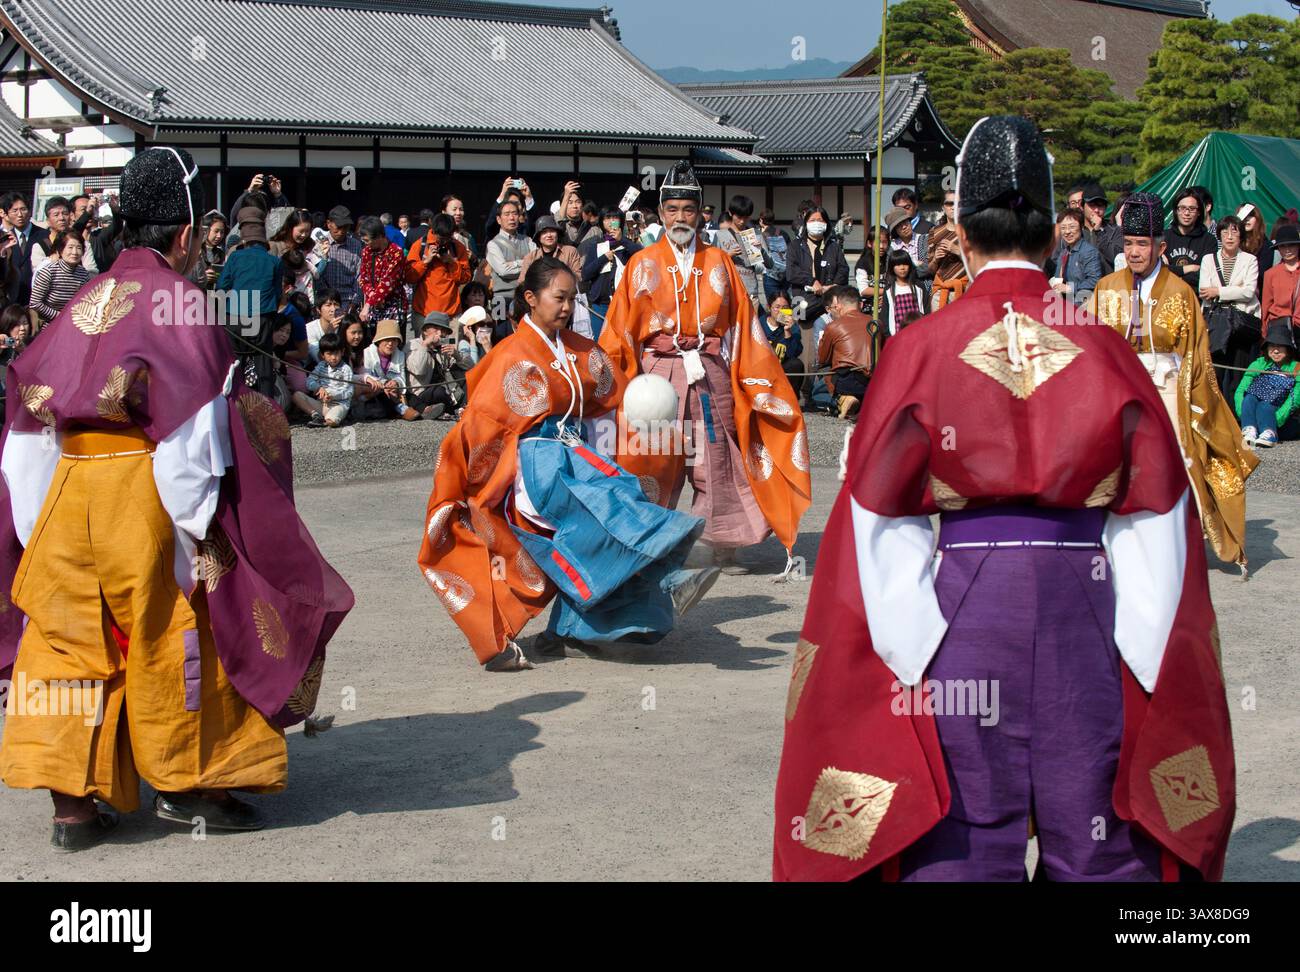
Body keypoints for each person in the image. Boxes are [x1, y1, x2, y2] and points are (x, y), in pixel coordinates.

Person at [775, 115, 1235, 883]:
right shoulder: (1102, 345)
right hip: (1085, 609)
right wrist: (1146, 647)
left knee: (961, 834)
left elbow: (875, 518)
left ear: (958, 226)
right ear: (1056, 232)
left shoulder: (920, 346)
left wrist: (909, 642)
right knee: (1098, 835)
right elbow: (1157, 516)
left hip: (961, 609)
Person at [0, 146, 353, 850]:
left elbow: (25, 426)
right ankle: (190, 782)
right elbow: (191, 442)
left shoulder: (83, 300)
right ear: (186, 234)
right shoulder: (182, 303)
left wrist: (41, 526)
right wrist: (203, 536)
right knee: (175, 630)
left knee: (68, 636)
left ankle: (72, 805)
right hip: (145, 490)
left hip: (67, 487)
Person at [417, 257, 721, 671]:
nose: (566, 307)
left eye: (571, 299)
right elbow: (484, 424)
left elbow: (613, 398)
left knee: (617, 500)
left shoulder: (580, 348)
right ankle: (668, 577)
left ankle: (568, 632)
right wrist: (478, 481)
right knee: (603, 511)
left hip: (574, 454)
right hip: (534, 467)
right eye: (558, 298)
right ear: (530, 298)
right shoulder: (510, 355)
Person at [598, 161, 811, 577]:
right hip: (656, 371)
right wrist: (607, 385)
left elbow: (744, 326)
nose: (680, 218)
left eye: (688, 210)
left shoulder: (720, 262)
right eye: (673, 209)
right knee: (652, 456)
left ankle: (722, 542)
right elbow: (619, 329)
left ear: (701, 213)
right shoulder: (641, 263)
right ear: (661, 214)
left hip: (709, 370)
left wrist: (755, 380)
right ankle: (647, 542)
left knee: (714, 456)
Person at [1086, 192, 1258, 574]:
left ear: (1160, 247)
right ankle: (1122, 539)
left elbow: (1196, 356)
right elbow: (1092, 347)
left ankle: (1174, 539)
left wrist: (1197, 404)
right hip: (1120, 390)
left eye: (1142, 244)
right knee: (1117, 463)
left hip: (1168, 388)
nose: (1133, 252)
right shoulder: (1106, 288)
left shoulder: (1181, 293)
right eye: (1128, 244)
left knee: (1177, 462)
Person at [1199, 214, 1260, 402]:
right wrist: (1233, 291)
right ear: (1219, 235)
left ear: (1241, 235)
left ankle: (1237, 421)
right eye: (1225, 231)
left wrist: (1218, 291)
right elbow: (1204, 290)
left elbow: (1248, 292)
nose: (1230, 236)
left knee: (1237, 378)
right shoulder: (1208, 259)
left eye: (1234, 231)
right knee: (1214, 374)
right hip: (1216, 323)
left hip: (1240, 323)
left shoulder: (1250, 260)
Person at [1236, 321, 1300, 447]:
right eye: (1272, 346)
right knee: (1249, 398)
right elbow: (1240, 391)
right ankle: (1249, 430)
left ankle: (1269, 433)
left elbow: (1295, 399)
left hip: (1281, 418)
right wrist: (1244, 415)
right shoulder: (1258, 364)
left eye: (1280, 346)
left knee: (1265, 406)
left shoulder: (1296, 368)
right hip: (1253, 416)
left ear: (1288, 348)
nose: (1275, 351)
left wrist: (1275, 419)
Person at [579, 207, 640, 340]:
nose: (611, 221)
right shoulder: (595, 246)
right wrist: (603, 258)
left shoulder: (627, 245)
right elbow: (586, 274)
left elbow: (641, 256)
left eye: (615, 218)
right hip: (600, 303)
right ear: (601, 222)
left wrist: (622, 240)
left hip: (623, 304)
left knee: (622, 342)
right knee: (599, 342)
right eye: (607, 218)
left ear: (621, 222)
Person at [816, 285, 874, 420]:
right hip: (872, 380)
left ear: (840, 306)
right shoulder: (874, 322)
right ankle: (857, 403)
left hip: (846, 379)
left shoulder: (833, 326)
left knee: (819, 388)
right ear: (860, 304)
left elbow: (823, 358)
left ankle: (841, 400)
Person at [407, 213, 472, 324]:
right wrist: (425, 262)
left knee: (452, 341)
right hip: (424, 312)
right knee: (425, 342)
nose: (444, 242)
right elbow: (409, 277)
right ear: (433, 230)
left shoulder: (458, 247)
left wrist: (451, 261)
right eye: (441, 238)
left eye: (448, 238)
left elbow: (465, 278)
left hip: (452, 312)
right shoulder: (420, 246)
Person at [714, 195, 771, 310]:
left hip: (751, 292)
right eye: (739, 217)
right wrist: (727, 255)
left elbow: (770, 264)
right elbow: (712, 265)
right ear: (730, 213)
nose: (742, 221)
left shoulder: (756, 234)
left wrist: (762, 251)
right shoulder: (720, 235)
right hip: (729, 292)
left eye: (746, 217)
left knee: (750, 327)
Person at [356, 216, 409, 335]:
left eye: (368, 240)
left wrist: (369, 304)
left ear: (380, 236)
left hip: (394, 305)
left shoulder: (396, 252)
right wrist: (372, 297)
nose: (366, 244)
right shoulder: (366, 251)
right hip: (373, 306)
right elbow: (363, 279)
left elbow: (388, 282)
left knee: (393, 344)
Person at [359, 318, 420, 421]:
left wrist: (396, 383)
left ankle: (425, 409)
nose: (390, 344)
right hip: (374, 391)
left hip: (394, 392)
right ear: (379, 341)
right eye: (387, 339)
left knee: (411, 396)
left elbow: (401, 376)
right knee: (381, 400)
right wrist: (385, 385)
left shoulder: (400, 354)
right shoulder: (367, 353)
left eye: (394, 340)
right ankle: (402, 410)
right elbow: (367, 377)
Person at [485, 199, 534, 320]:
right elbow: (503, 271)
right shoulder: (493, 244)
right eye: (507, 214)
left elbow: (536, 263)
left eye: (515, 213)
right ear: (498, 219)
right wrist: (526, 263)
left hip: (525, 297)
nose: (511, 218)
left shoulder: (528, 240)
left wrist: (515, 264)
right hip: (501, 299)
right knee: (501, 334)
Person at [28, 232, 91, 326]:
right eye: (70, 247)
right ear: (60, 250)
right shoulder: (48, 272)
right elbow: (35, 303)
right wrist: (60, 317)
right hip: (49, 326)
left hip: (74, 324)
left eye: (79, 248)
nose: (75, 252)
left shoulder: (83, 273)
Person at [404, 313, 459, 420]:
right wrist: (425, 345)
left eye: (443, 330)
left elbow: (465, 369)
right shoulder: (413, 344)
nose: (440, 333)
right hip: (420, 393)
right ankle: (449, 408)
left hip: (443, 390)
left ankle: (446, 408)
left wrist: (457, 355)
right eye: (436, 328)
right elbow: (418, 370)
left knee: (461, 381)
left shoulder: (443, 347)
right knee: (439, 391)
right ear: (425, 330)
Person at [1163, 189, 1217, 291]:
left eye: (1192, 209)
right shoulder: (1163, 238)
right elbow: (1158, 271)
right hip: (1165, 295)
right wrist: (1189, 268)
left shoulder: (1209, 240)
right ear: (1176, 210)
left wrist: (1171, 272)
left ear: (1199, 212)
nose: (1187, 213)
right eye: (1183, 208)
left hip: (1195, 298)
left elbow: (1205, 275)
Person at [298, 331, 354, 427]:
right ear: (322, 355)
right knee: (297, 395)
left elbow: (349, 392)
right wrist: (318, 388)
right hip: (322, 404)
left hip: (338, 405)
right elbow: (309, 380)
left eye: (336, 353)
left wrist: (332, 395)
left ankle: (327, 419)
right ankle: (315, 416)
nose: (333, 357)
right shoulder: (321, 366)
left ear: (342, 352)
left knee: (331, 421)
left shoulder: (346, 369)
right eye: (329, 354)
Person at [1, 192, 48, 307]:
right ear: (6, 215)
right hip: (11, 302)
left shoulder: (45, 236)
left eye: (23, 209)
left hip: (38, 300)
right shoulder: (3, 239)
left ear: (30, 211)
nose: (20, 214)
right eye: (14, 210)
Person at [1049, 207, 1102, 305]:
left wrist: (1070, 288)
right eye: (1063, 228)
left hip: (1085, 305)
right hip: (1068, 305)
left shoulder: (1089, 251)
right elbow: (1057, 280)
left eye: (1072, 227)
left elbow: (1095, 280)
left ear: (1081, 227)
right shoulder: (1063, 253)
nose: (1067, 232)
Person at [1260, 223, 1300, 346]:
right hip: (1279, 329)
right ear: (1278, 249)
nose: (1287, 250)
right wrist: (1265, 333)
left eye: (1291, 245)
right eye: (1283, 246)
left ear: (1298, 246)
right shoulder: (1271, 274)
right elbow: (1266, 306)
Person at [318, 206, 364, 314]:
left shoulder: (356, 245)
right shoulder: (319, 244)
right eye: (338, 227)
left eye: (346, 227)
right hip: (325, 302)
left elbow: (360, 276)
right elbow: (316, 276)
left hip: (349, 301)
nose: (342, 231)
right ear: (329, 224)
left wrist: (354, 303)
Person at [757, 290, 804, 395]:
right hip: (761, 366)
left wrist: (787, 331)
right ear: (769, 307)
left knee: (796, 364)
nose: (780, 311)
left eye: (785, 308)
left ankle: (791, 399)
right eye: (777, 307)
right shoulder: (759, 324)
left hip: (782, 367)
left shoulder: (793, 327)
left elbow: (793, 354)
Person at [926, 191, 967, 310]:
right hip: (940, 291)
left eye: (958, 204)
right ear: (943, 207)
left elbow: (978, 262)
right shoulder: (934, 232)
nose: (954, 207)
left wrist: (957, 250)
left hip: (965, 290)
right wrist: (935, 259)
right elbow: (930, 269)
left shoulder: (970, 231)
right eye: (950, 203)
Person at [877, 250, 929, 338]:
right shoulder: (889, 290)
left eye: (905, 264)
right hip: (897, 336)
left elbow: (927, 309)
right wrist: (889, 336)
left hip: (919, 333)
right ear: (892, 267)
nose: (902, 268)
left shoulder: (919, 286)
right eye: (898, 265)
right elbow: (885, 316)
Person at [521, 215, 583, 279]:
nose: (549, 235)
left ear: (557, 234)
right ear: (538, 237)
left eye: (552, 231)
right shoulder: (530, 258)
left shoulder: (570, 252)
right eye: (544, 232)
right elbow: (522, 282)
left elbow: (579, 276)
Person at [885, 206, 929, 280]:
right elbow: (890, 272)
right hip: (901, 288)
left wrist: (903, 272)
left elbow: (929, 267)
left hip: (924, 285)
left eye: (906, 222)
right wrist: (916, 263)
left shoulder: (924, 239)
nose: (904, 227)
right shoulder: (892, 248)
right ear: (895, 230)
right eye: (899, 225)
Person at [188, 210, 227, 289]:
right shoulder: (195, 252)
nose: (219, 236)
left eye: (222, 232)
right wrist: (203, 276)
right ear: (205, 231)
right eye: (216, 231)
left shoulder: (222, 254)